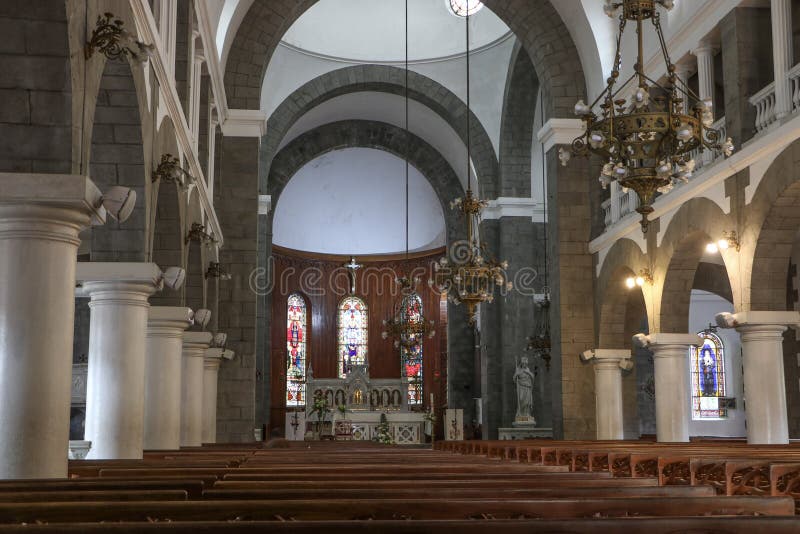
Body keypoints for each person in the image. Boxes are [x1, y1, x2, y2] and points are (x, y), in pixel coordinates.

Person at [514, 355, 536, 423]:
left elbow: (533, 377)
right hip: (521, 388)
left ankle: (527, 414)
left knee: (527, 402)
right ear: (521, 363)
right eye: (523, 363)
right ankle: (520, 414)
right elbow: (514, 379)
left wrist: (528, 373)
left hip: (528, 387)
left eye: (526, 363)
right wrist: (516, 375)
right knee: (521, 400)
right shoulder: (518, 369)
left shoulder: (528, 370)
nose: (525, 364)